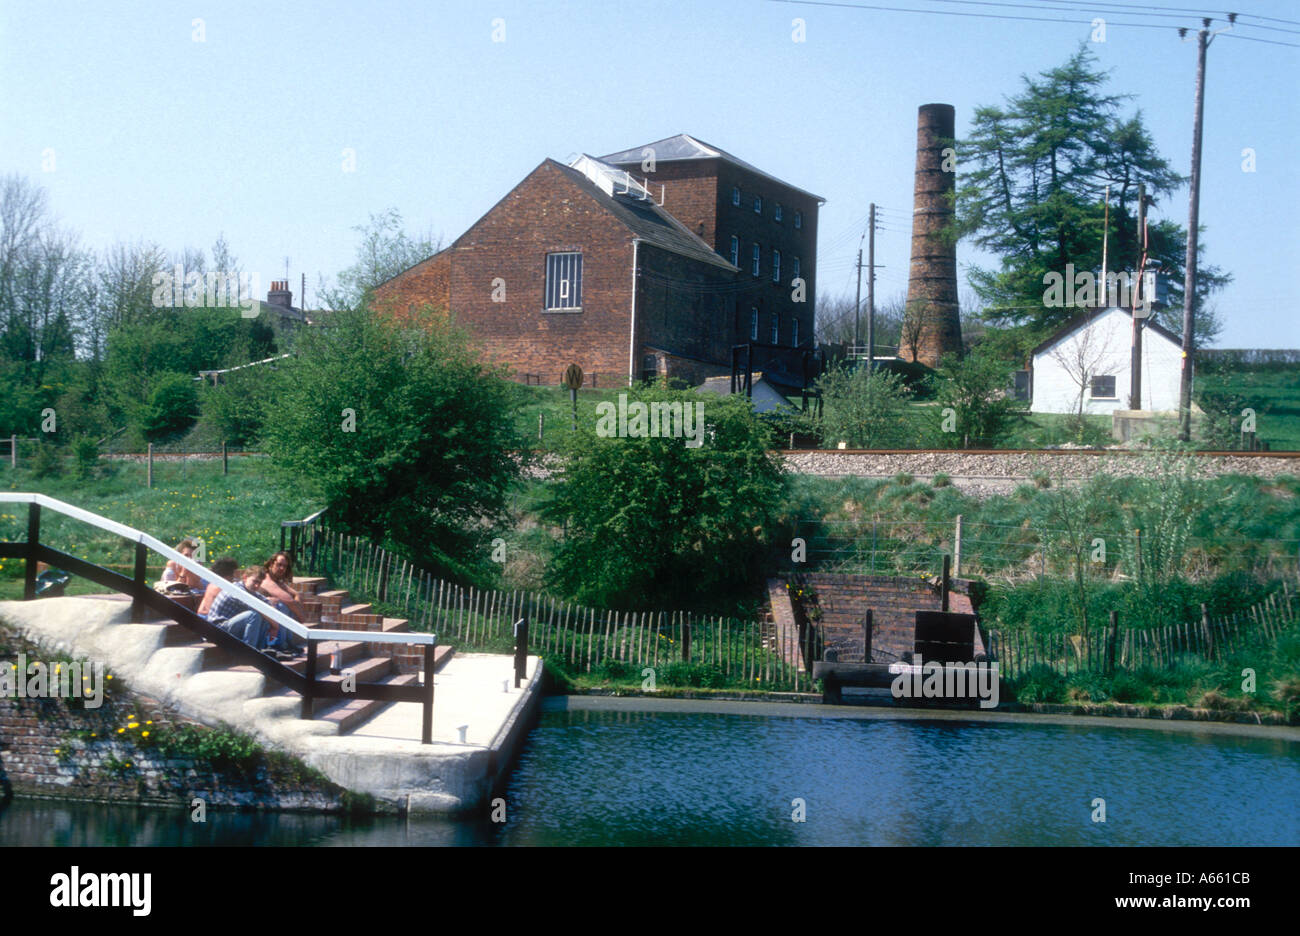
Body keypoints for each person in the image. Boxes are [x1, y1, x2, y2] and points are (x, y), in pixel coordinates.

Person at [206, 566, 293, 660]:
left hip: (230, 627)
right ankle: (249, 654)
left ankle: (263, 650)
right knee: (254, 615)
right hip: (217, 630)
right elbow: (259, 608)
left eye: (259, 583)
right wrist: (275, 627)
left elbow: (268, 606)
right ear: (245, 578)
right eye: (255, 581)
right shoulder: (237, 590)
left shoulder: (251, 591)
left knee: (270, 611)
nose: (256, 586)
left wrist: (272, 611)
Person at [258, 551, 305, 653]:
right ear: (271, 564)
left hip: (269, 620)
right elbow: (289, 600)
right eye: (279, 565)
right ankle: (279, 644)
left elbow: (296, 594)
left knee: (289, 606)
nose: (282, 569)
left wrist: (297, 604)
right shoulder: (267, 580)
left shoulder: (277, 580)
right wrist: (302, 619)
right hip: (260, 619)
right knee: (282, 605)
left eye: (285, 566)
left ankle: (288, 642)